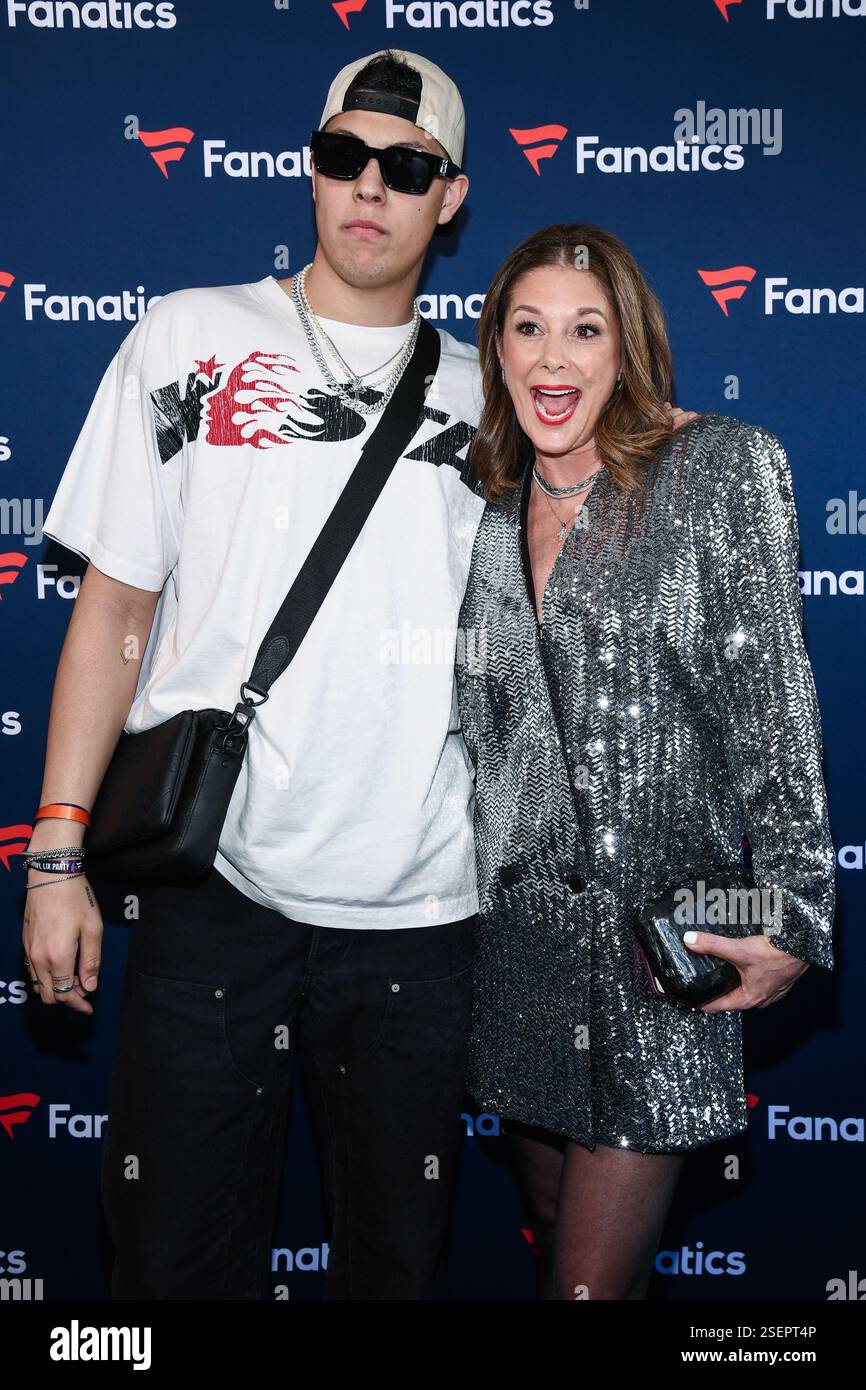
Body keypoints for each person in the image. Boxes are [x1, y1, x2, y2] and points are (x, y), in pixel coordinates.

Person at [23, 49, 691, 1300]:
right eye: (344, 155)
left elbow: (607, 597)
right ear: (311, 168)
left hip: (425, 911)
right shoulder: (188, 335)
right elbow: (115, 605)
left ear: (451, 197)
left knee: (395, 1268)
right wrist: (56, 850)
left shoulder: (504, 395)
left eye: (406, 165)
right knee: (167, 1265)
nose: (368, 186)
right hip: (215, 886)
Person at [454, 222, 836, 1301]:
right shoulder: (484, 512)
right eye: (525, 328)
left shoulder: (717, 468)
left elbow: (775, 709)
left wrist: (796, 911)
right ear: (495, 348)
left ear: (626, 349)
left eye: (584, 330)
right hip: (520, 950)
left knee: (589, 1287)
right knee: (546, 1230)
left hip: (653, 953)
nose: (551, 358)